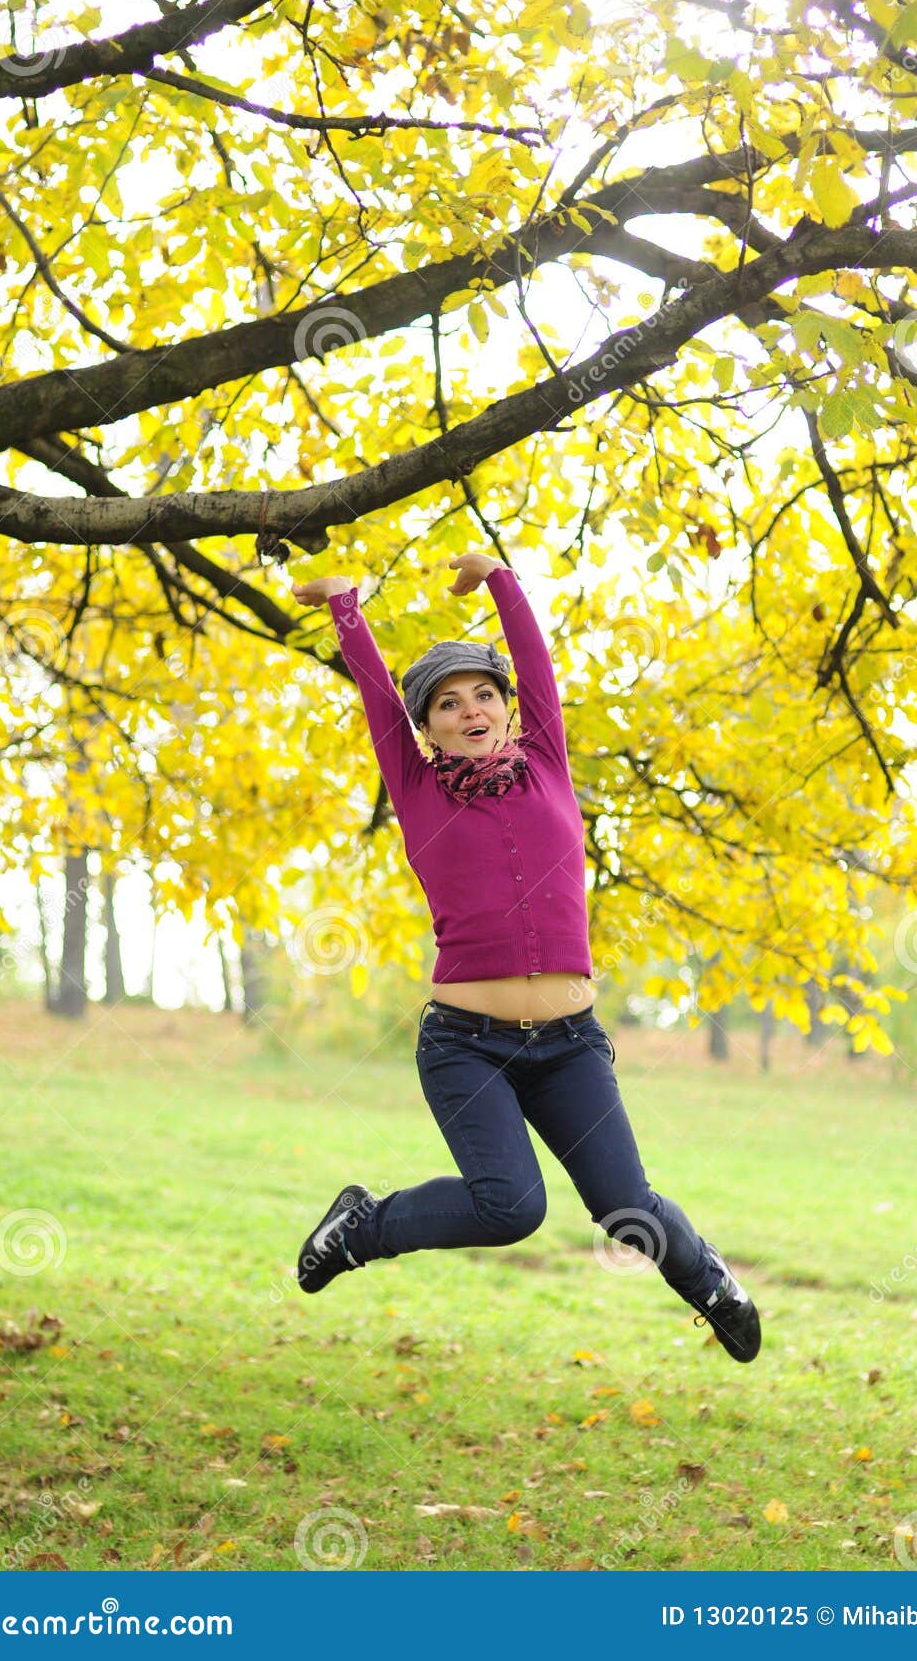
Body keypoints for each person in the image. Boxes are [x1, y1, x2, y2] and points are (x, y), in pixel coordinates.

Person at [288, 552, 761, 1362]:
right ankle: (363, 1227)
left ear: (509, 711)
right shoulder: (417, 791)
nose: (470, 709)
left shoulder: (547, 761)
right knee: (510, 1208)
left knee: (625, 1210)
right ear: (427, 727)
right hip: (466, 1046)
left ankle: (712, 1287)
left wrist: (500, 580)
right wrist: (345, 609)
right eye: (447, 702)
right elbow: (373, 699)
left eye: (483, 694)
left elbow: (535, 663)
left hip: (570, 1046)